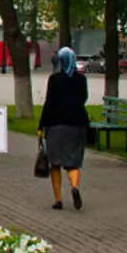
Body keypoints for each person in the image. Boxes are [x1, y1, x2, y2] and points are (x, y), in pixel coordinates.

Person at [37, 46, 90, 210]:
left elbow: (49, 103)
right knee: (72, 163)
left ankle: (58, 199)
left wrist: (41, 125)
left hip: (56, 126)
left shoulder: (54, 79)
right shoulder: (81, 80)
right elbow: (84, 99)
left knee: (55, 163)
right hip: (76, 126)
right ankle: (74, 186)